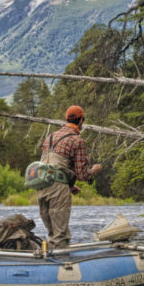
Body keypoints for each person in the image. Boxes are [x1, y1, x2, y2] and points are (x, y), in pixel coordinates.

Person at [36, 105, 102, 248]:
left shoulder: (50, 137)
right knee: (60, 235)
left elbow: (51, 165)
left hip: (40, 186)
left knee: (53, 232)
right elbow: (82, 175)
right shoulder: (78, 141)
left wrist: (69, 186)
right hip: (57, 188)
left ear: (66, 119)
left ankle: (52, 260)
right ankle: (61, 266)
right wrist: (94, 170)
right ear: (80, 121)